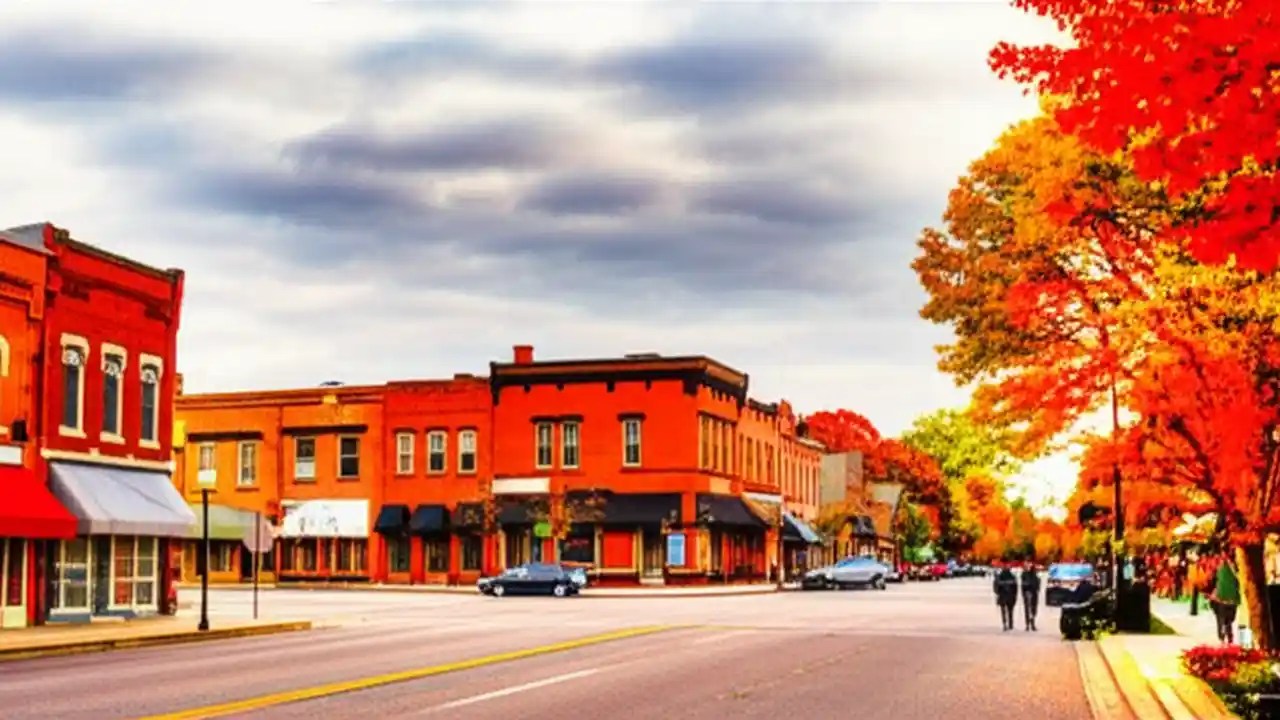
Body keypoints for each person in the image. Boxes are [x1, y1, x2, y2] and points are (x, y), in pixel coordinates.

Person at [1209, 552, 1241, 644]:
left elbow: (1212, 580)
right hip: (1227, 598)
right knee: (1226, 620)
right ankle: (1226, 637)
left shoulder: (1222, 566)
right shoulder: (1232, 567)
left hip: (1224, 598)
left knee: (1224, 619)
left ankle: (1224, 637)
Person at [993, 566, 1019, 631]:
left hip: (1002, 596)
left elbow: (995, 587)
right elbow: (1015, 588)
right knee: (1010, 611)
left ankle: (1005, 623)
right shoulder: (1012, 577)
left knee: (1004, 611)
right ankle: (1010, 624)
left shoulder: (999, 577)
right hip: (1010, 596)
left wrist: (997, 593)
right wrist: (1015, 595)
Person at [1021, 564, 1041, 631]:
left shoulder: (1035, 577)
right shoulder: (1027, 576)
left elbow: (1038, 587)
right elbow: (1024, 586)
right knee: (1030, 610)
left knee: (1031, 610)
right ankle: (1030, 625)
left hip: (1032, 595)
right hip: (1029, 595)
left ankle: (1030, 624)